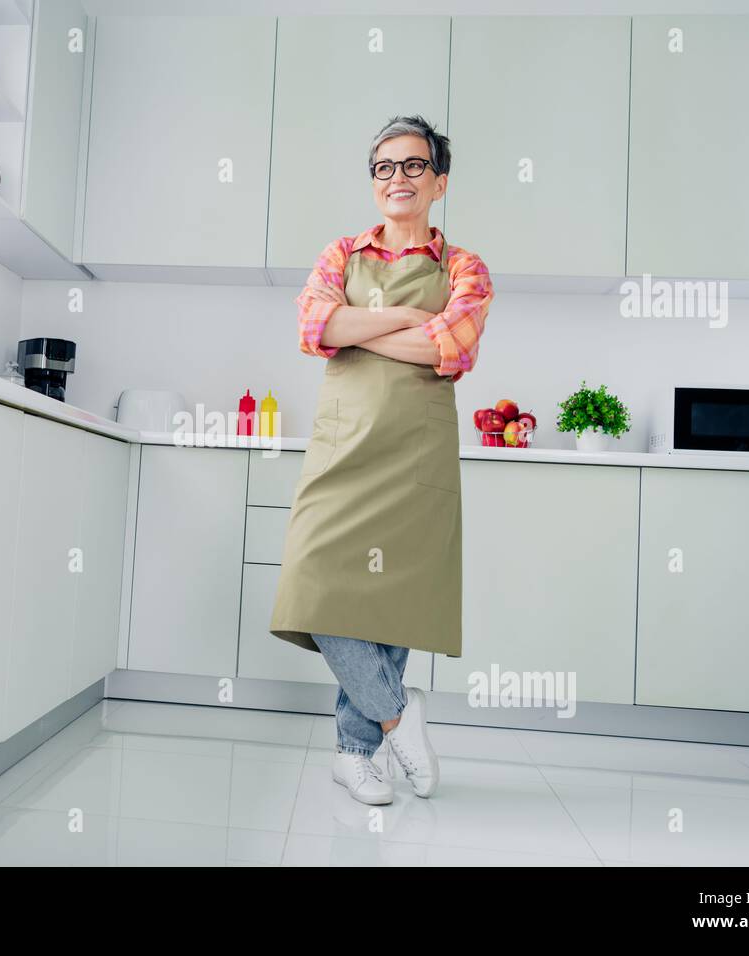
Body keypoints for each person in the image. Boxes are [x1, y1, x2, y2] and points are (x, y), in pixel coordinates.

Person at [269, 114, 494, 805]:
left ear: (440, 181)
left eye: (413, 165)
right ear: (374, 182)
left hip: (414, 454)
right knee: (316, 586)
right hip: (345, 446)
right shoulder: (341, 252)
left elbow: (451, 349)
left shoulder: (465, 267)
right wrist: (408, 322)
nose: (398, 178)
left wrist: (360, 330)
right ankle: (399, 715)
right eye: (384, 167)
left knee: (390, 607)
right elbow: (314, 326)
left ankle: (355, 754)